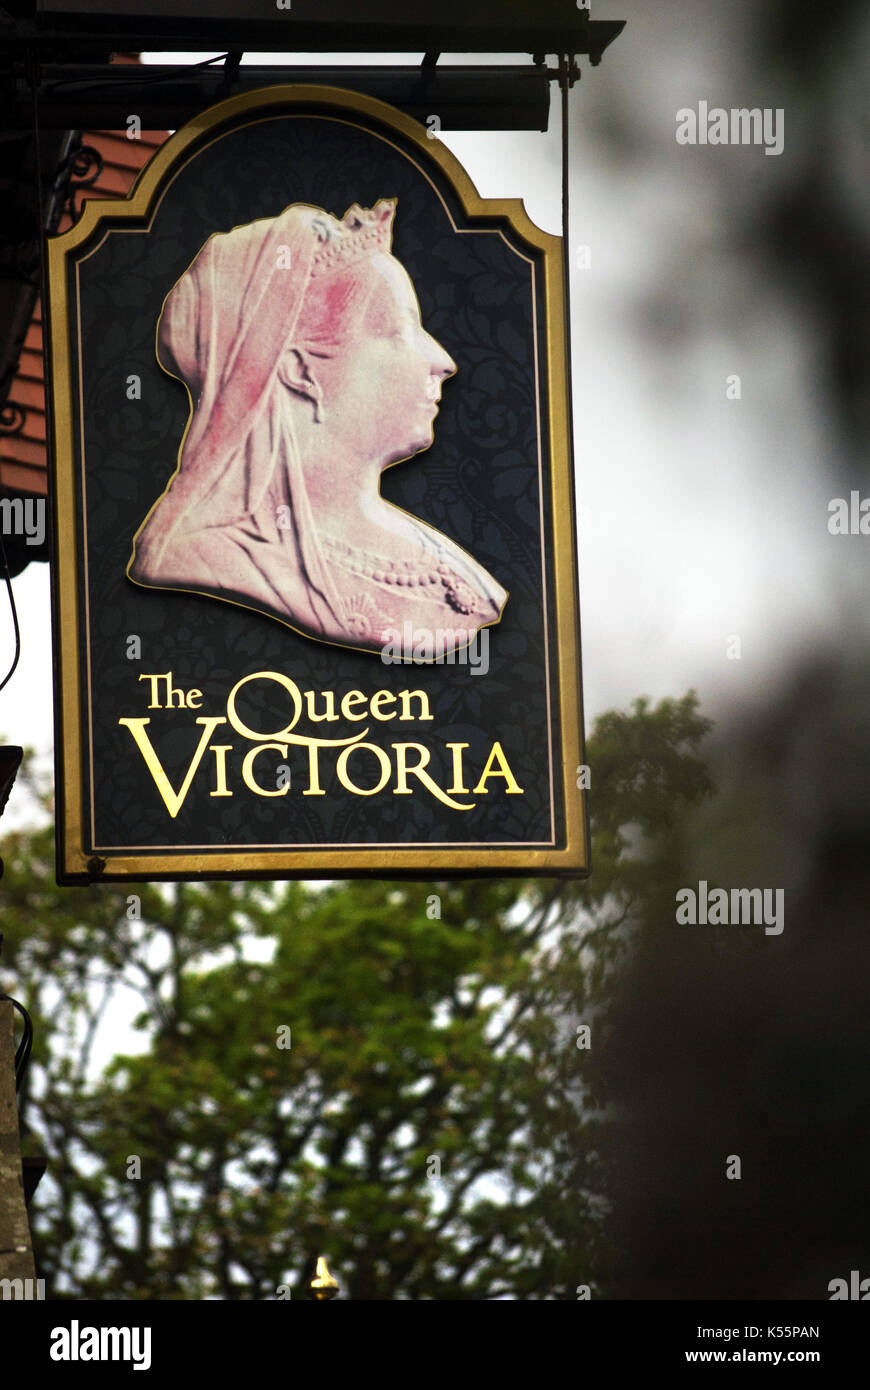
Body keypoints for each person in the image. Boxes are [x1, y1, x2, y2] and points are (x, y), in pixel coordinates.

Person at [128, 199, 508, 658]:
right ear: (298, 368)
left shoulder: (445, 566)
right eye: (401, 331)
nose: (442, 362)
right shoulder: (207, 559)